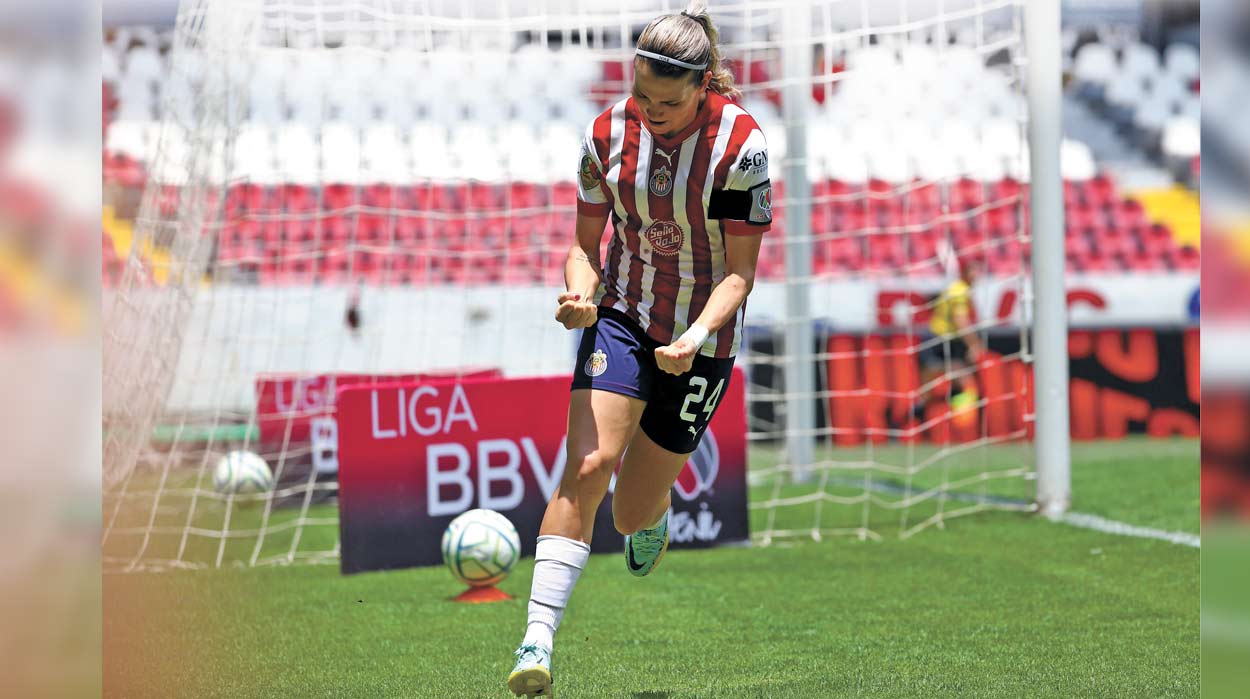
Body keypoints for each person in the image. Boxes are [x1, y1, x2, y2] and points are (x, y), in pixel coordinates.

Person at [507, 2, 771, 696]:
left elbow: (740, 272)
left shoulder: (741, 147)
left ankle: (652, 515)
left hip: (702, 335)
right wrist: (579, 294)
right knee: (588, 464)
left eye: (668, 100)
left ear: (704, 84)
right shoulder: (603, 136)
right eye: (641, 94)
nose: (651, 109)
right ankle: (536, 638)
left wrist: (693, 334)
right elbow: (583, 249)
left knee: (628, 513)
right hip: (623, 315)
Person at [916, 255, 985, 425]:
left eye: (978, 270)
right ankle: (914, 418)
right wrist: (975, 345)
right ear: (963, 272)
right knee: (936, 387)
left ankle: (961, 423)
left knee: (961, 379)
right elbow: (961, 322)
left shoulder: (960, 289)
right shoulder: (959, 291)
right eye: (973, 270)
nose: (977, 274)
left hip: (947, 342)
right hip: (936, 342)